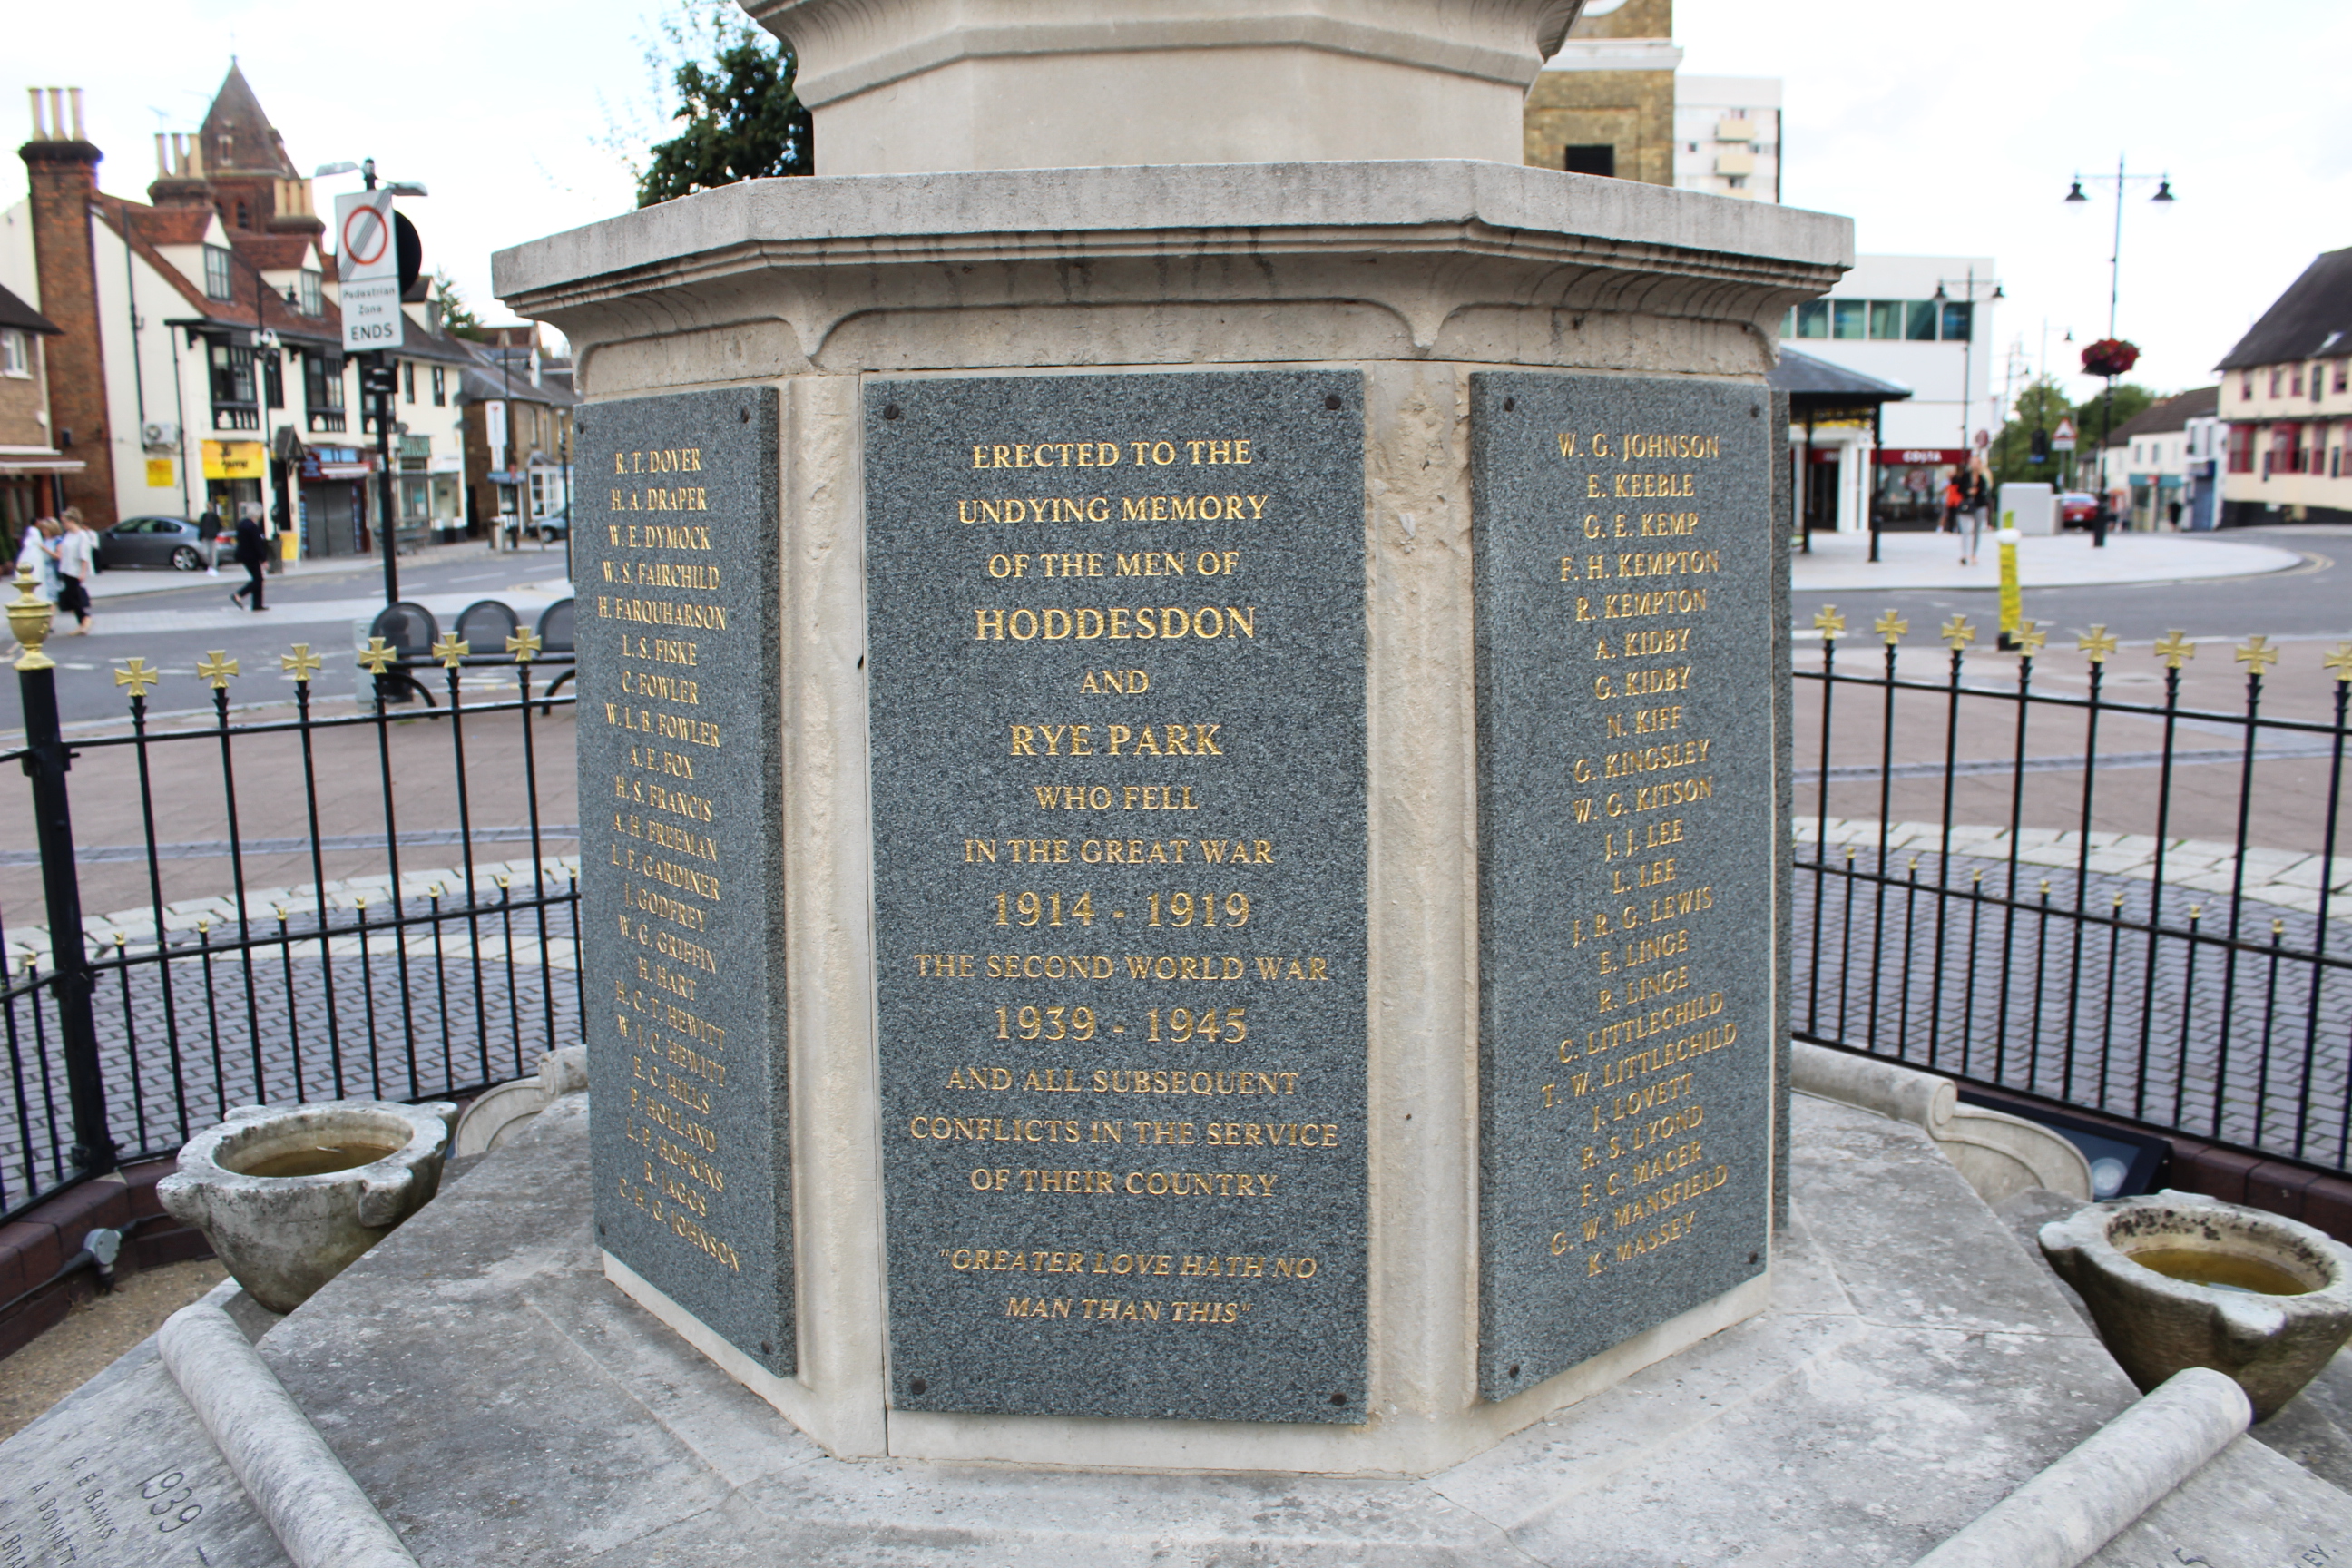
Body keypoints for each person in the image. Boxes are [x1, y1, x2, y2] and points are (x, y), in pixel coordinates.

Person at [53, 508, 96, 634]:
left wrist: (83, 572)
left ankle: (85, 618)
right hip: (66, 568)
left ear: (72, 521)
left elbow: (84, 555)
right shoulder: (68, 535)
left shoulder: (82, 535)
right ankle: (82, 623)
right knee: (73, 598)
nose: (63, 524)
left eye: (65, 522)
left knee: (72, 598)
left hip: (75, 570)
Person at [230, 504, 269, 611]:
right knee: (258, 579)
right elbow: (257, 544)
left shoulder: (242, 524)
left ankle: (257, 604)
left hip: (243, 555)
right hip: (252, 556)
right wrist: (264, 559)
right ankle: (238, 595)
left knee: (257, 579)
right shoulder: (252, 527)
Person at [1958, 466, 1991, 567]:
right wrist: (1968, 491)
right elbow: (1960, 489)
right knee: (1966, 530)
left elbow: (1987, 489)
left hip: (1980, 505)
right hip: (1967, 505)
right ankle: (1965, 554)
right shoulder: (1966, 476)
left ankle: (1974, 554)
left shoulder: (1984, 476)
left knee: (1977, 531)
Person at [197, 502, 222, 574]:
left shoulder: (214, 516)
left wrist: (215, 533)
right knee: (204, 552)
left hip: (212, 537)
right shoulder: (204, 515)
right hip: (205, 536)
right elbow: (201, 526)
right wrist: (201, 535)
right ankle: (210, 565)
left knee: (213, 553)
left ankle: (213, 567)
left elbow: (219, 525)